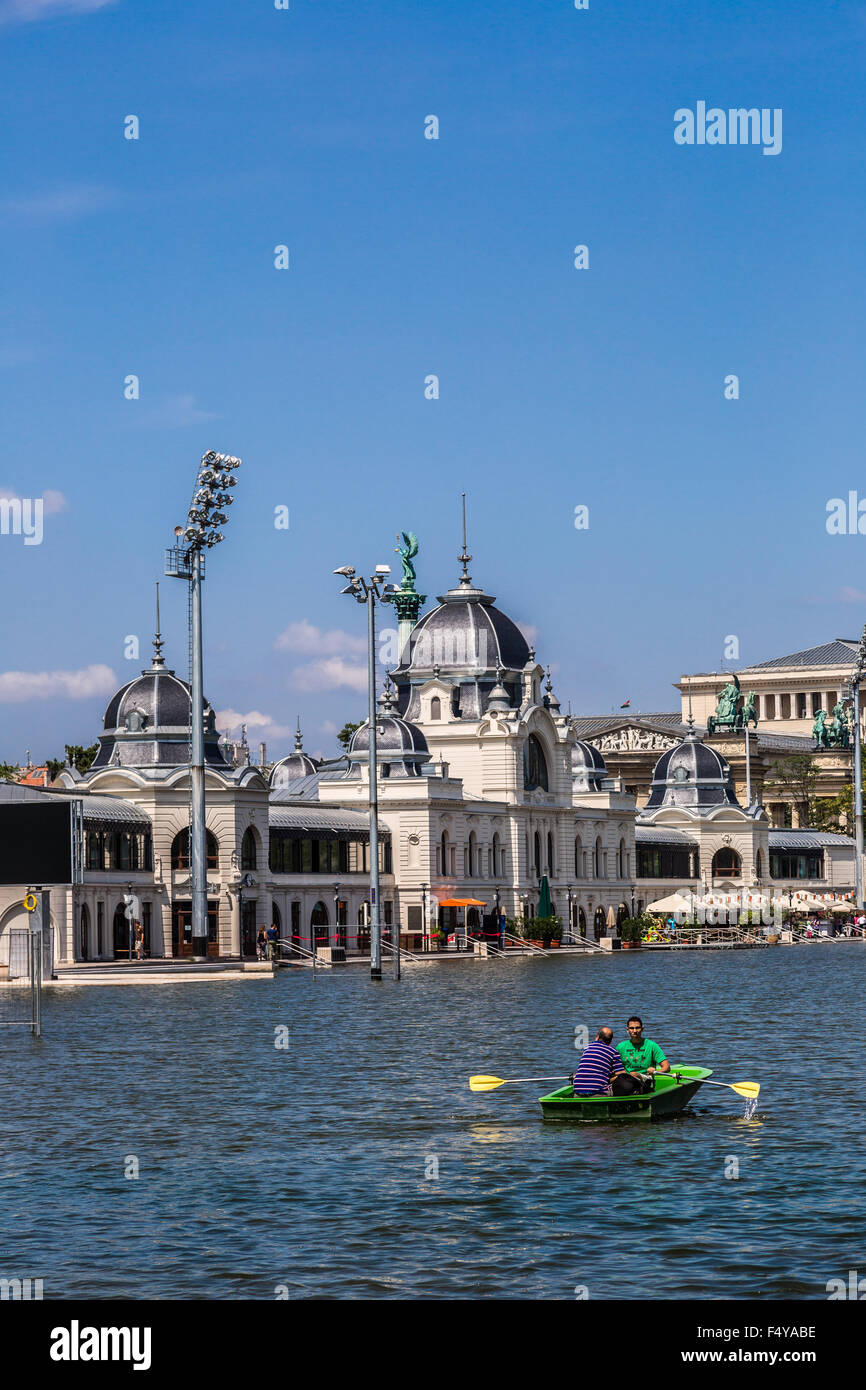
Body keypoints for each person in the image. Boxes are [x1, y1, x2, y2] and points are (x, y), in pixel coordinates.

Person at [616, 1016, 670, 1093]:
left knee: (633, 1074)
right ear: (627, 1030)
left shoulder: (651, 1045)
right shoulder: (621, 1047)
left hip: (645, 1079)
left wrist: (655, 1071)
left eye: (637, 1028)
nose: (635, 1031)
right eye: (631, 1028)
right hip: (626, 1079)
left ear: (642, 1029)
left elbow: (667, 1067)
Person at [571, 1027, 628, 1097]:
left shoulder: (587, 1048)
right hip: (598, 1093)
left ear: (597, 1037)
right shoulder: (613, 1051)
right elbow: (621, 1075)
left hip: (577, 1091)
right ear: (610, 1041)